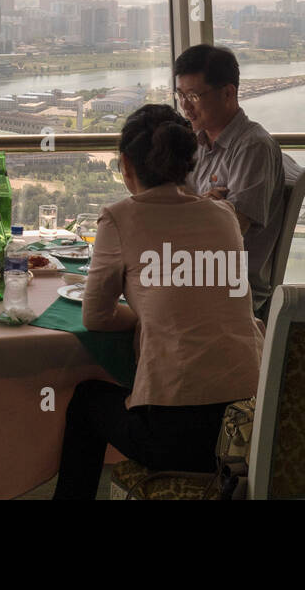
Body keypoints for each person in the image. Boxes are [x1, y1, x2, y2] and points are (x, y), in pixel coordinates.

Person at [52, 104, 264, 500]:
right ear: (188, 163)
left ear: (125, 164)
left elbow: (95, 316)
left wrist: (140, 317)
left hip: (178, 439)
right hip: (249, 427)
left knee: (86, 401)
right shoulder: (224, 216)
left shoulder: (119, 218)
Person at [173, 44, 285, 318]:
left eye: (194, 96)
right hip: (195, 269)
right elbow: (173, 203)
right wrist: (207, 206)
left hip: (231, 286)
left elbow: (230, 232)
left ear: (228, 93)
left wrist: (193, 208)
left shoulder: (253, 147)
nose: (185, 107)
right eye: (180, 95)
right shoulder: (197, 141)